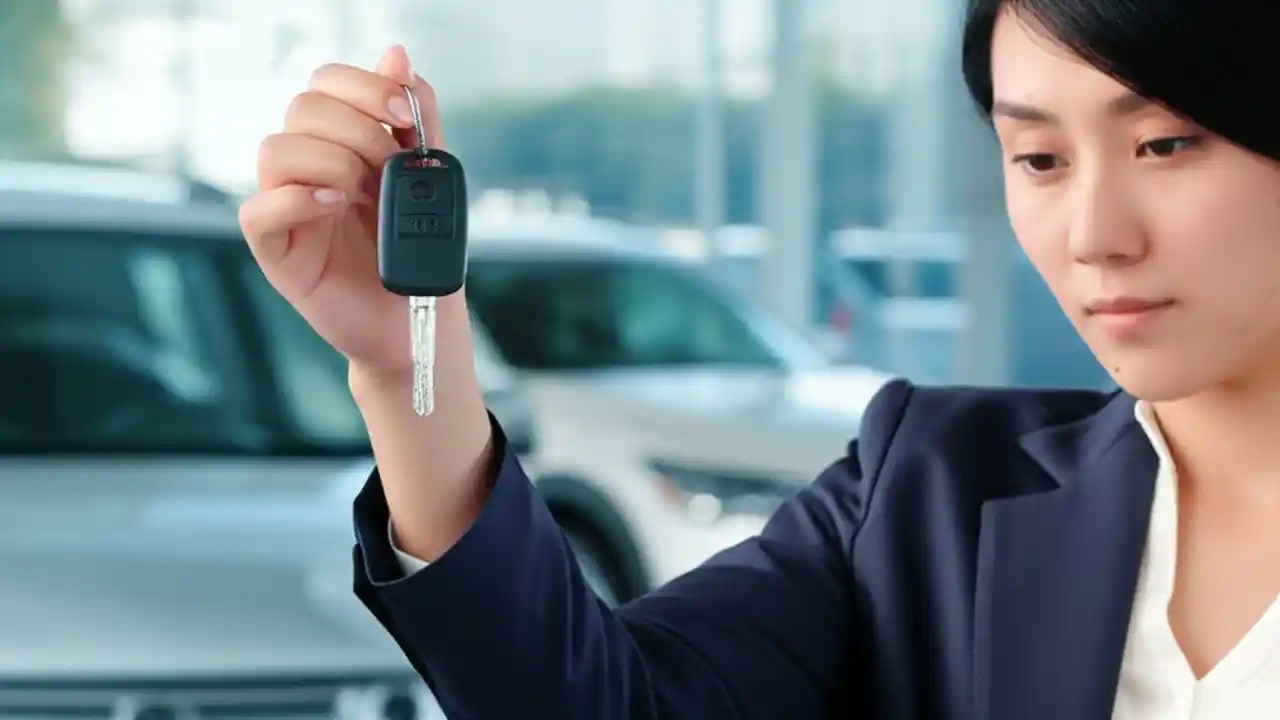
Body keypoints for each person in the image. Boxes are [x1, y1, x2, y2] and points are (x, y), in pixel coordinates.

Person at [237, 0, 1280, 716]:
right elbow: (593, 705)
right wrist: (404, 360)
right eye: (1039, 159)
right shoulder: (925, 492)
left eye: (1162, 144)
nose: (1094, 232)